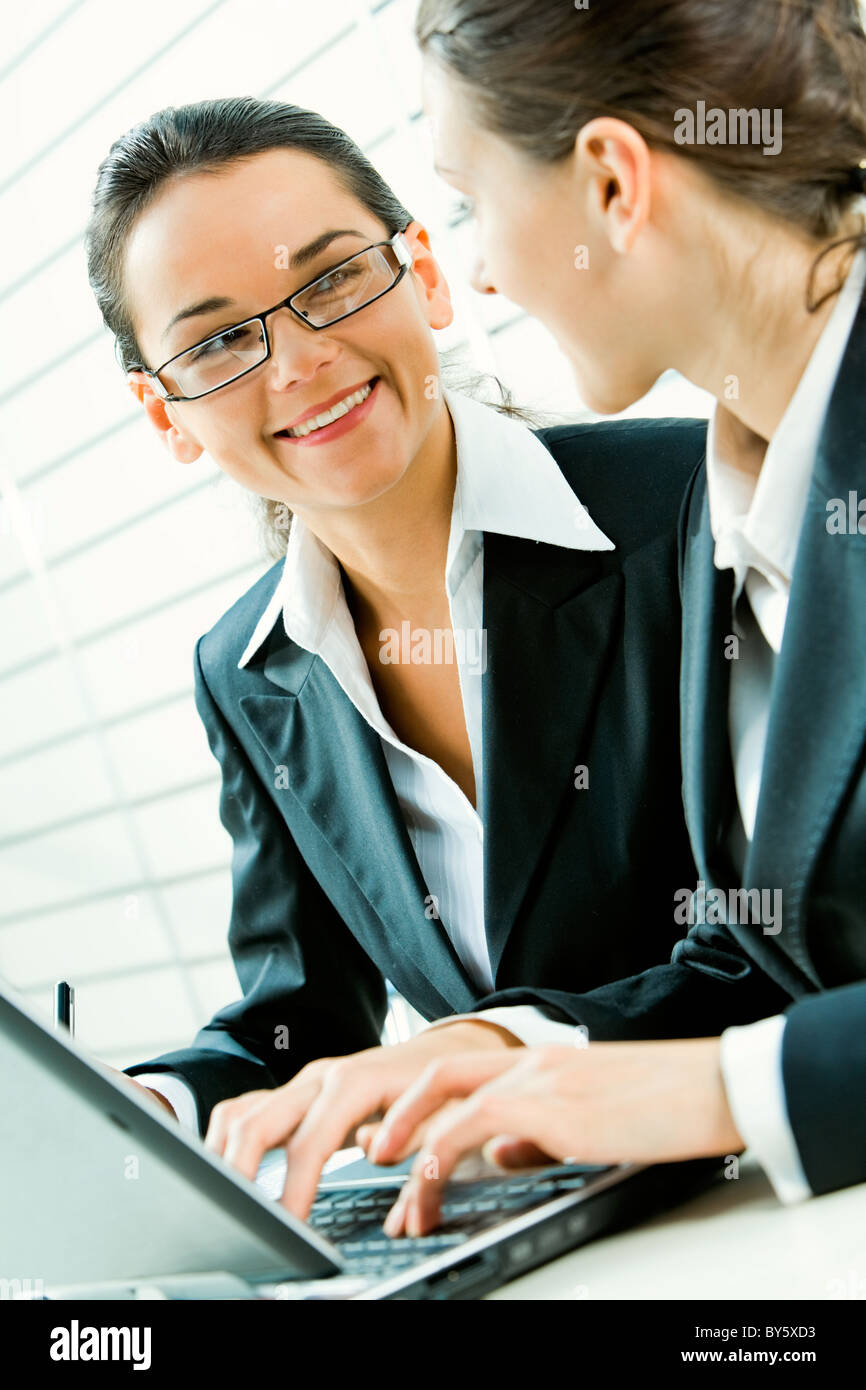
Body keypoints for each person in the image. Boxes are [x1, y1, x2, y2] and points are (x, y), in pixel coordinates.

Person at [84, 96, 708, 1217]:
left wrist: (487, 1042)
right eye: (220, 339)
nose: (300, 359)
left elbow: (795, 931)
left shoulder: (689, 505)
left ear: (421, 271)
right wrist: (153, 1112)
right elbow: (305, 1016)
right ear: (165, 412)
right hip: (520, 1227)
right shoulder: (244, 671)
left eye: (329, 280)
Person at [362, 0, 866, 1237]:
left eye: (470, 202)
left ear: (607, 183)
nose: (472, 269)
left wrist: (728, 1092)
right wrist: (514, 1050)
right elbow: (778, 953)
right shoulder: (733, 502)